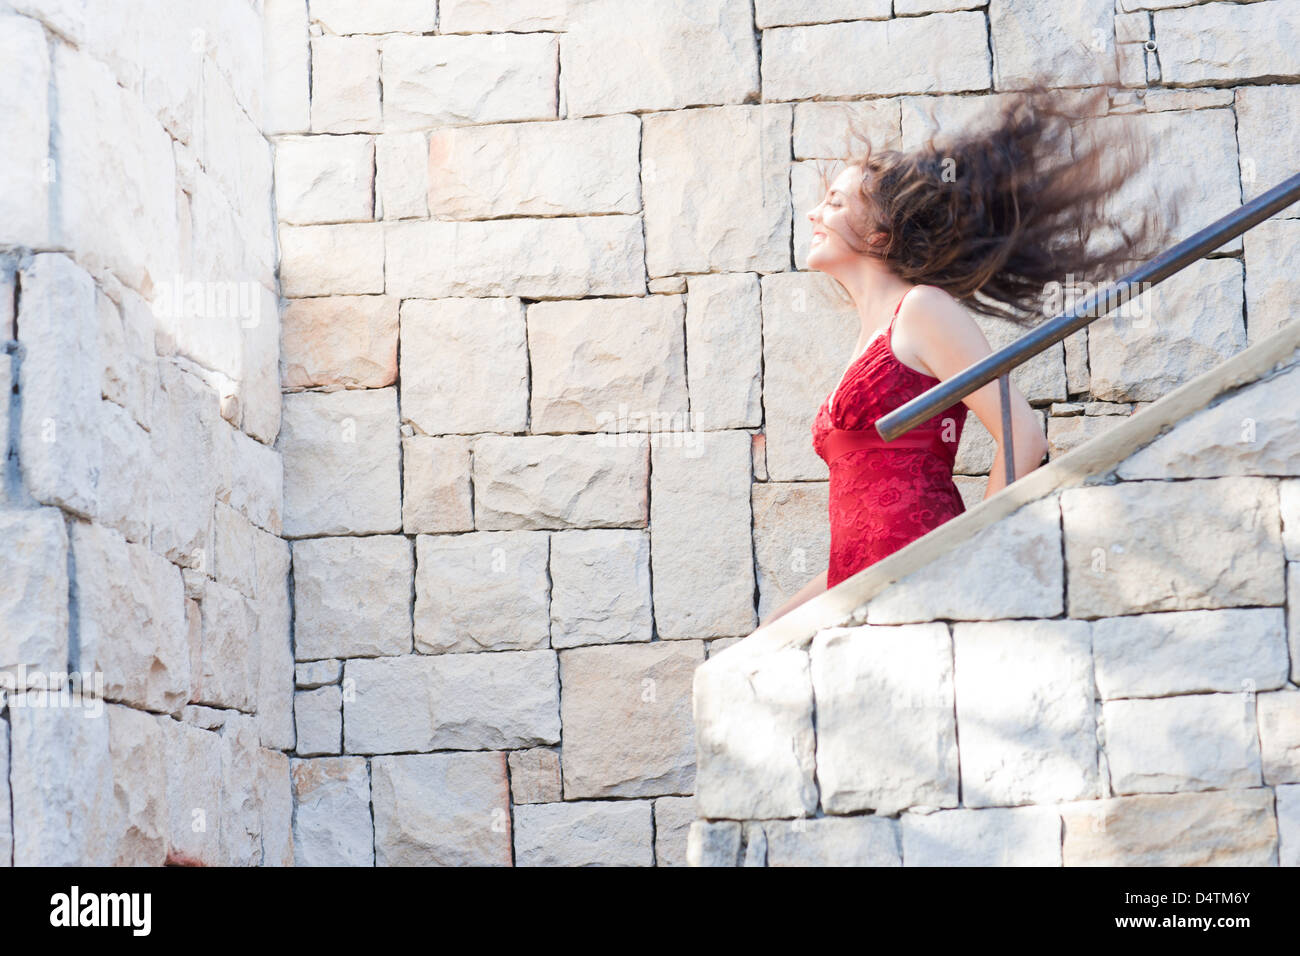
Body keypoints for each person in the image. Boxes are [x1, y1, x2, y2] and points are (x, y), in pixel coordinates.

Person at [761, 82, 1173, 628]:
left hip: (926, 585)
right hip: (868, 591)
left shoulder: (923, 309)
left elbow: (1022, 437)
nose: (814, 213)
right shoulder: (870, 337)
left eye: (834, 203)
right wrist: (776, 625)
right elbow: (859, 537)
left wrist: (975, 554)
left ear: (881, 236)